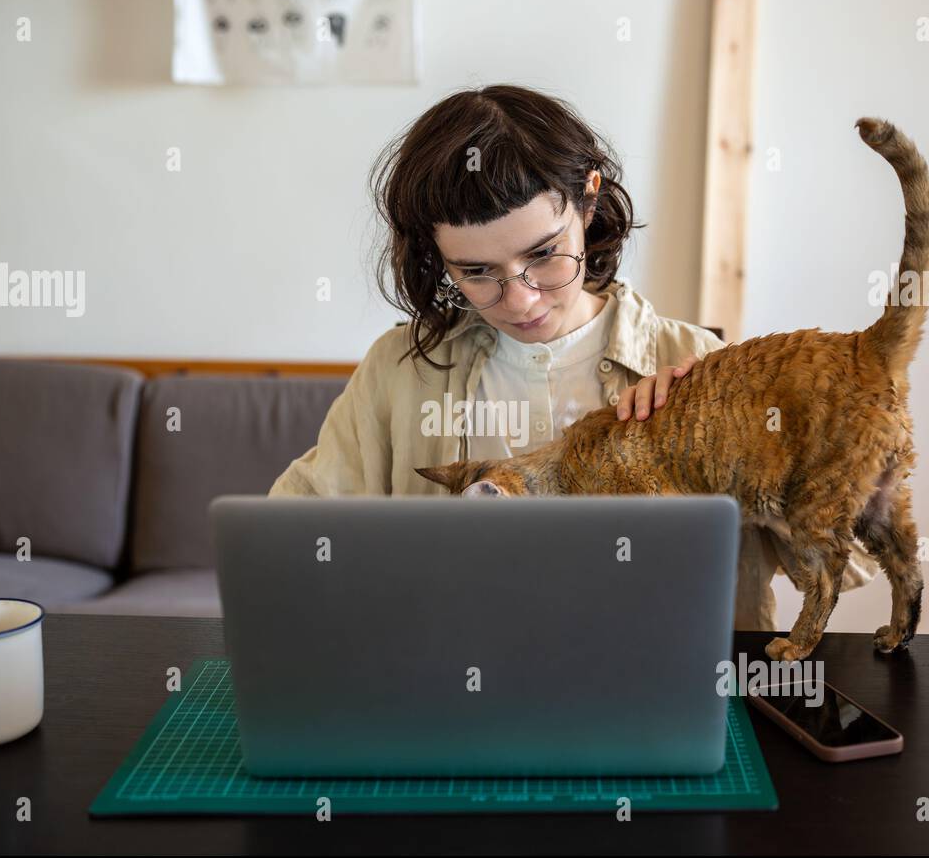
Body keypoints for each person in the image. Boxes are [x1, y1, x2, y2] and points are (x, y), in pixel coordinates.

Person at [270, 84, 876, 631]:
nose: (521, 298)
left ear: (588, 200)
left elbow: (853, 559)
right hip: (453, 681)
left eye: (543, 254)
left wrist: (727, 457)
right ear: (437, 258)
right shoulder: (399, 371)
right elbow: (289, 542)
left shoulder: (695, 360)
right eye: (477, 273)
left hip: (673, 682)